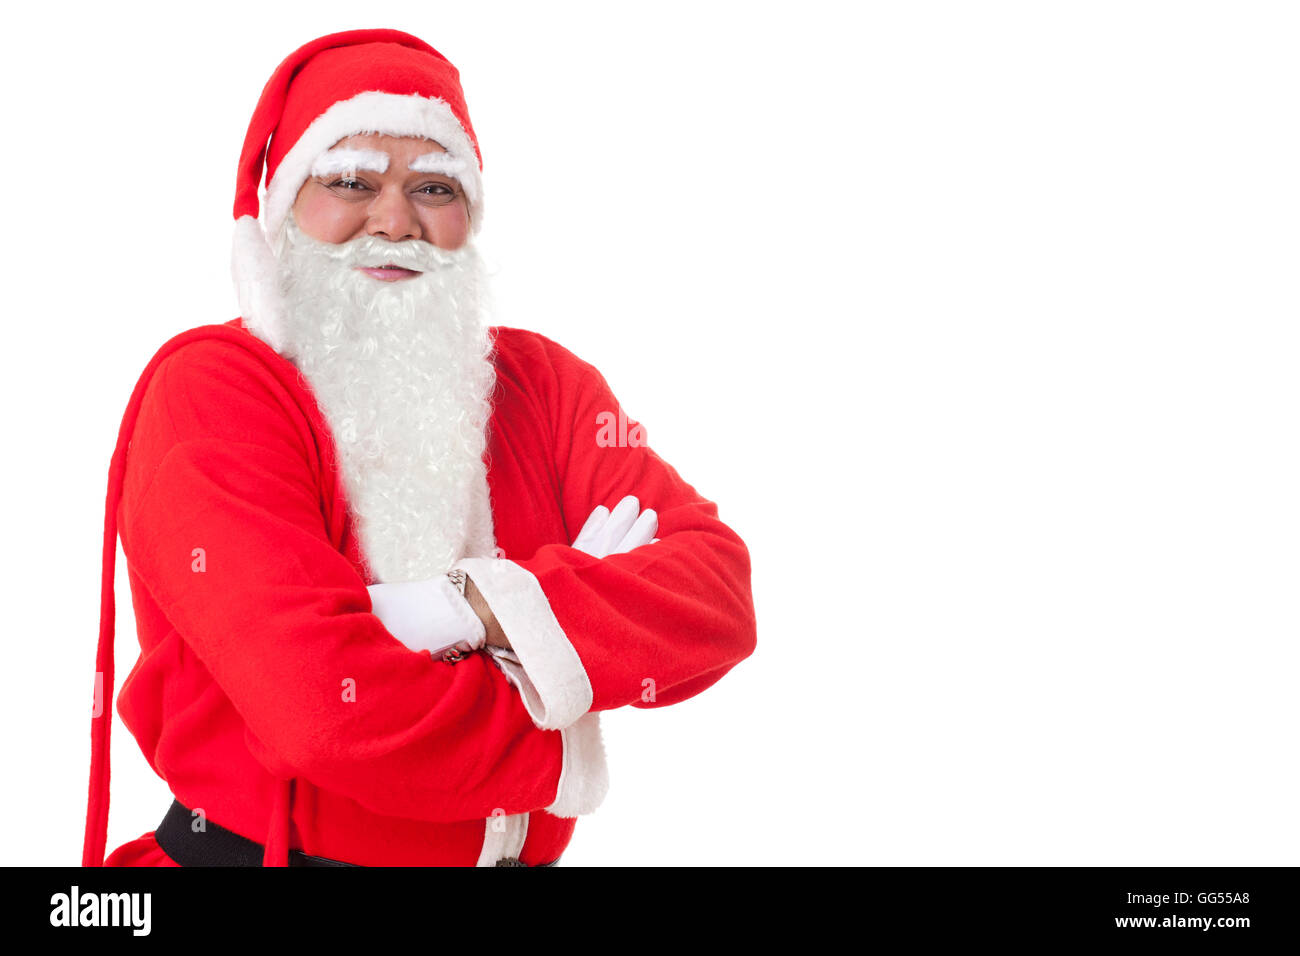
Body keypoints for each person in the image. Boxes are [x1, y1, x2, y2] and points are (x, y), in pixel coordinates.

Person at [83, 28, 757, 867]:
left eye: (434, 187)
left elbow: (717, 594)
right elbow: (321, 711)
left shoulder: (543, 384)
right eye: (350, 181)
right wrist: (562, 719)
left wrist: (466, 605)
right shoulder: (215, 391)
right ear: (284, 209)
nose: (395, 220)